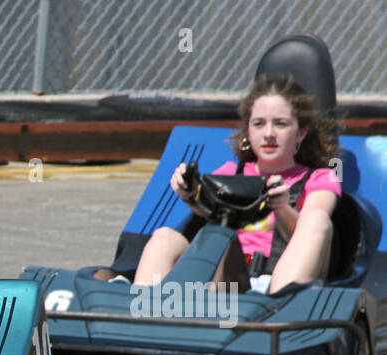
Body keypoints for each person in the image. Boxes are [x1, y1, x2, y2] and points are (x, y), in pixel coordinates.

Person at [129, 74, 340, 294]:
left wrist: (282, 208)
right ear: (248, 131)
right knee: (163, 237)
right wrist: (190, 194)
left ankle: (278, 307)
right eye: (259, 124)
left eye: (280, 124)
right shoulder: (230, 172)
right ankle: (142, 313)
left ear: (301, 133)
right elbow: (206, 215)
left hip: (277, 282)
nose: (268, 134)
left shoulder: (320, 179)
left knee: (316, 219)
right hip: (227, 281)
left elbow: (312, 233)